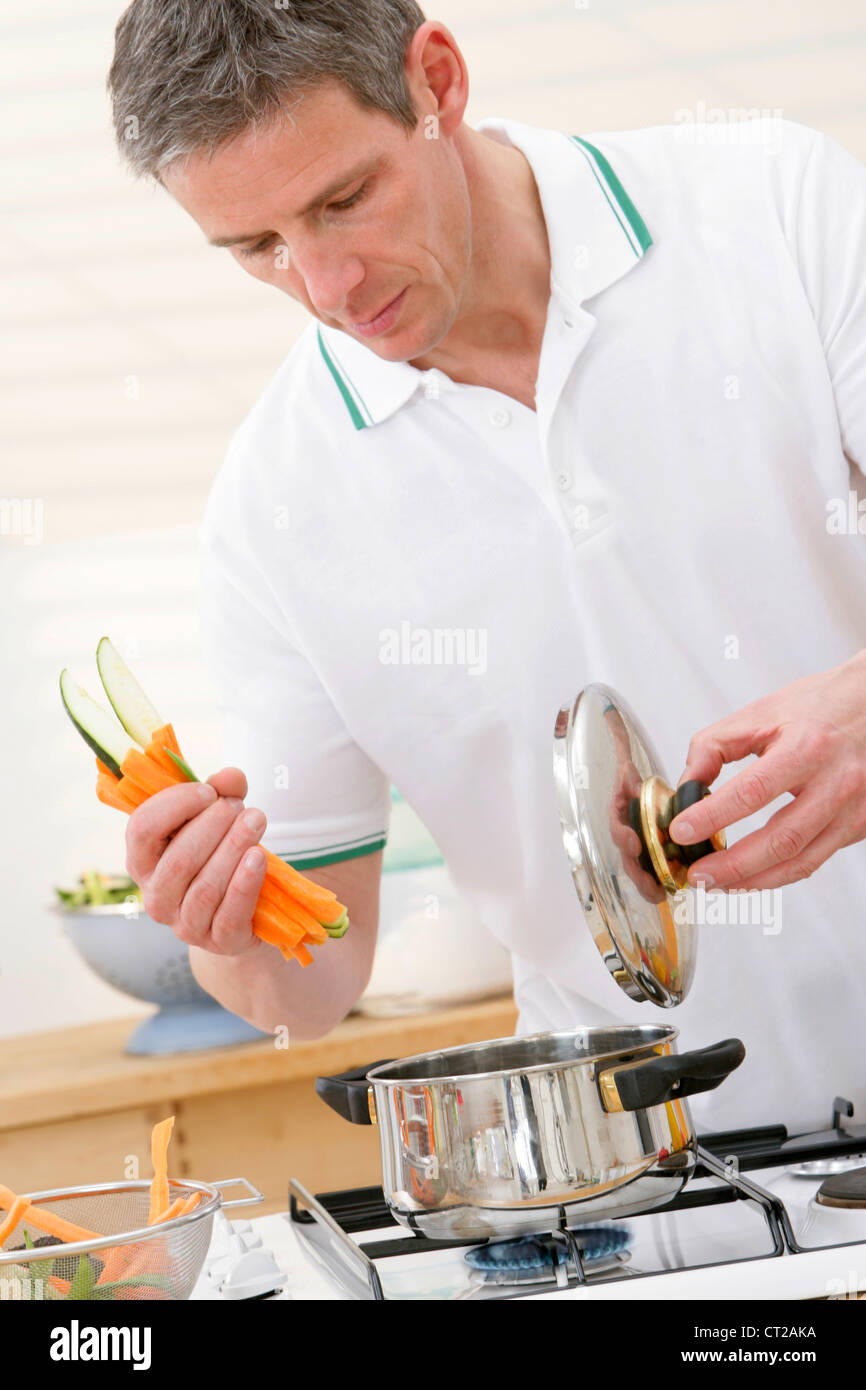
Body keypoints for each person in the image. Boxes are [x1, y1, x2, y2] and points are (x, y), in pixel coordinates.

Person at [110, 1, 866, 1131]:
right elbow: (312, 989)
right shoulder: (273, 507)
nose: (326, 288)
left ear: (436, 82)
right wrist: (222, 931)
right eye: (257, 247)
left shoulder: (773, 208)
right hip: (658, 1185)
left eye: (342, 199)